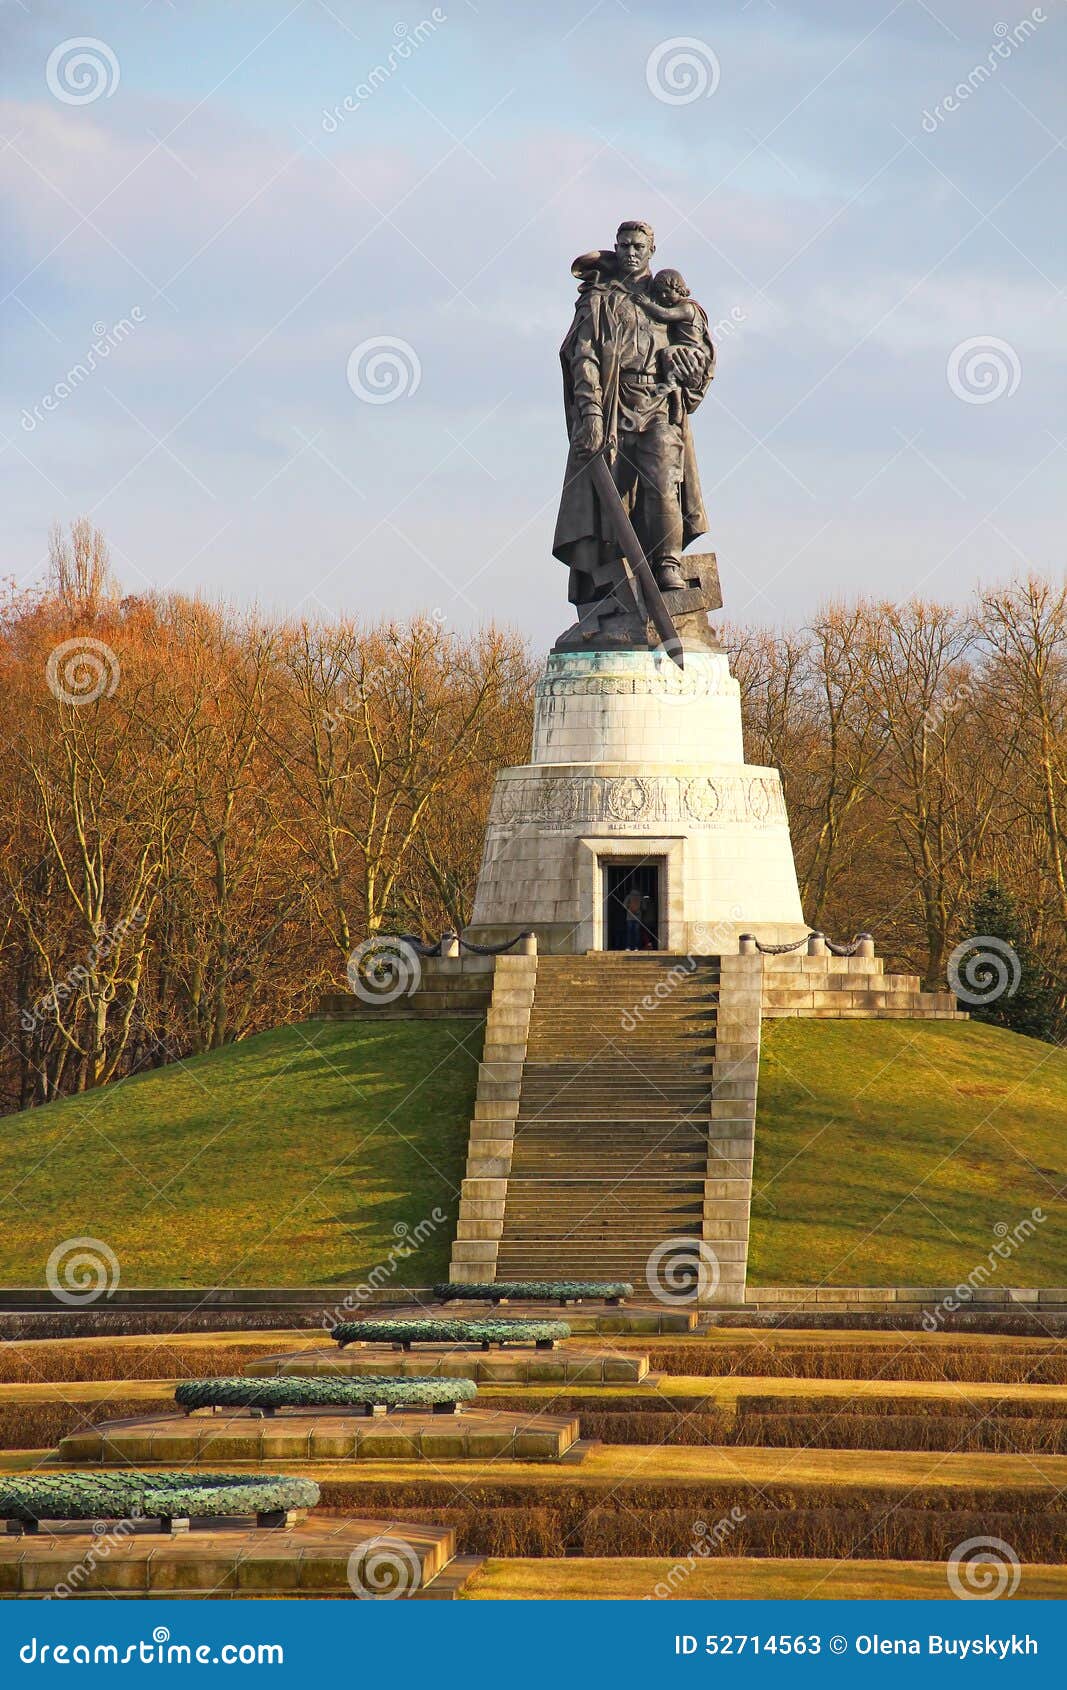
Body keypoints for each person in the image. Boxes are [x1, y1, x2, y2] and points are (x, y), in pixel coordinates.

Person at [552, 220, 715, 609]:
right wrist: (590, 414)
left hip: (658, 402)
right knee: (609, 499)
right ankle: (612, 585)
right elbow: (583, 357)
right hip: (611, 406)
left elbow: (699, 352)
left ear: (651, 250)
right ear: (616, 246)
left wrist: (691, 362)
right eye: (624, 245)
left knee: (663, 480)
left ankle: (667, 563)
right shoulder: (598, 298)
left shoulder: (668, 296)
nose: (630, 252)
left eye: (638, 245)